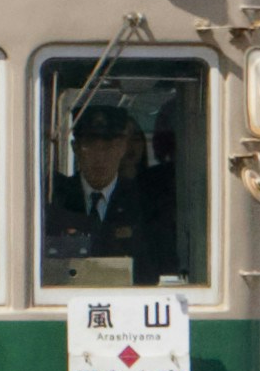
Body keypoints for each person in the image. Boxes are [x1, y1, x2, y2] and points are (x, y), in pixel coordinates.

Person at [48, 93, 187, 281]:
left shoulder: (147, 203)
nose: (99, 157)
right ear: (75, 148)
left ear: (122, 147)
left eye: (109, 147)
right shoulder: (55, 199)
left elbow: (164, 267)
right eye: (90, 146)